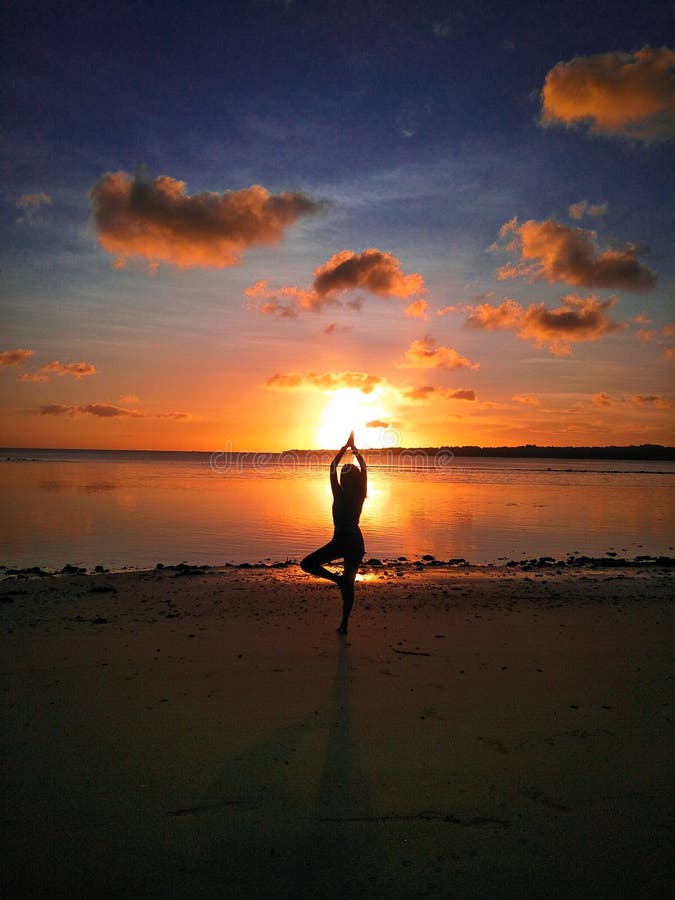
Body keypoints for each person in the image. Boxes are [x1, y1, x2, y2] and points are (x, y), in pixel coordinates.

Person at [301, 431, 367, 634]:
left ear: (343, 479)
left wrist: (344, 449)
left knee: (308, 564)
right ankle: (344, 624)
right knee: (348, 584)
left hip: (342, 540)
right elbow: (364, 468)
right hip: (355, 541)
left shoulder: (339, 493)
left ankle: (337, 581)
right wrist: (354, 450)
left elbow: (332, 467)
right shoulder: (360, 494)